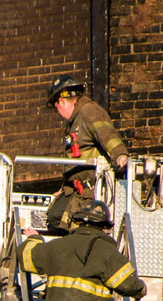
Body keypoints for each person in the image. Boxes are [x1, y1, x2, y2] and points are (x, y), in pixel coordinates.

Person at [44, 75, 129, 234]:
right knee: (55, 216)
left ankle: (82, 237)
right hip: (76, 191)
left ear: (61, 102)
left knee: (60, 220)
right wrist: (64, 189)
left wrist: (120, 155)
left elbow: (107, 134)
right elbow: (75, 159)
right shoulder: (75, 120)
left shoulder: (89, 111)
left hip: (89, 192)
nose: (58, 113)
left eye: (56, 107)